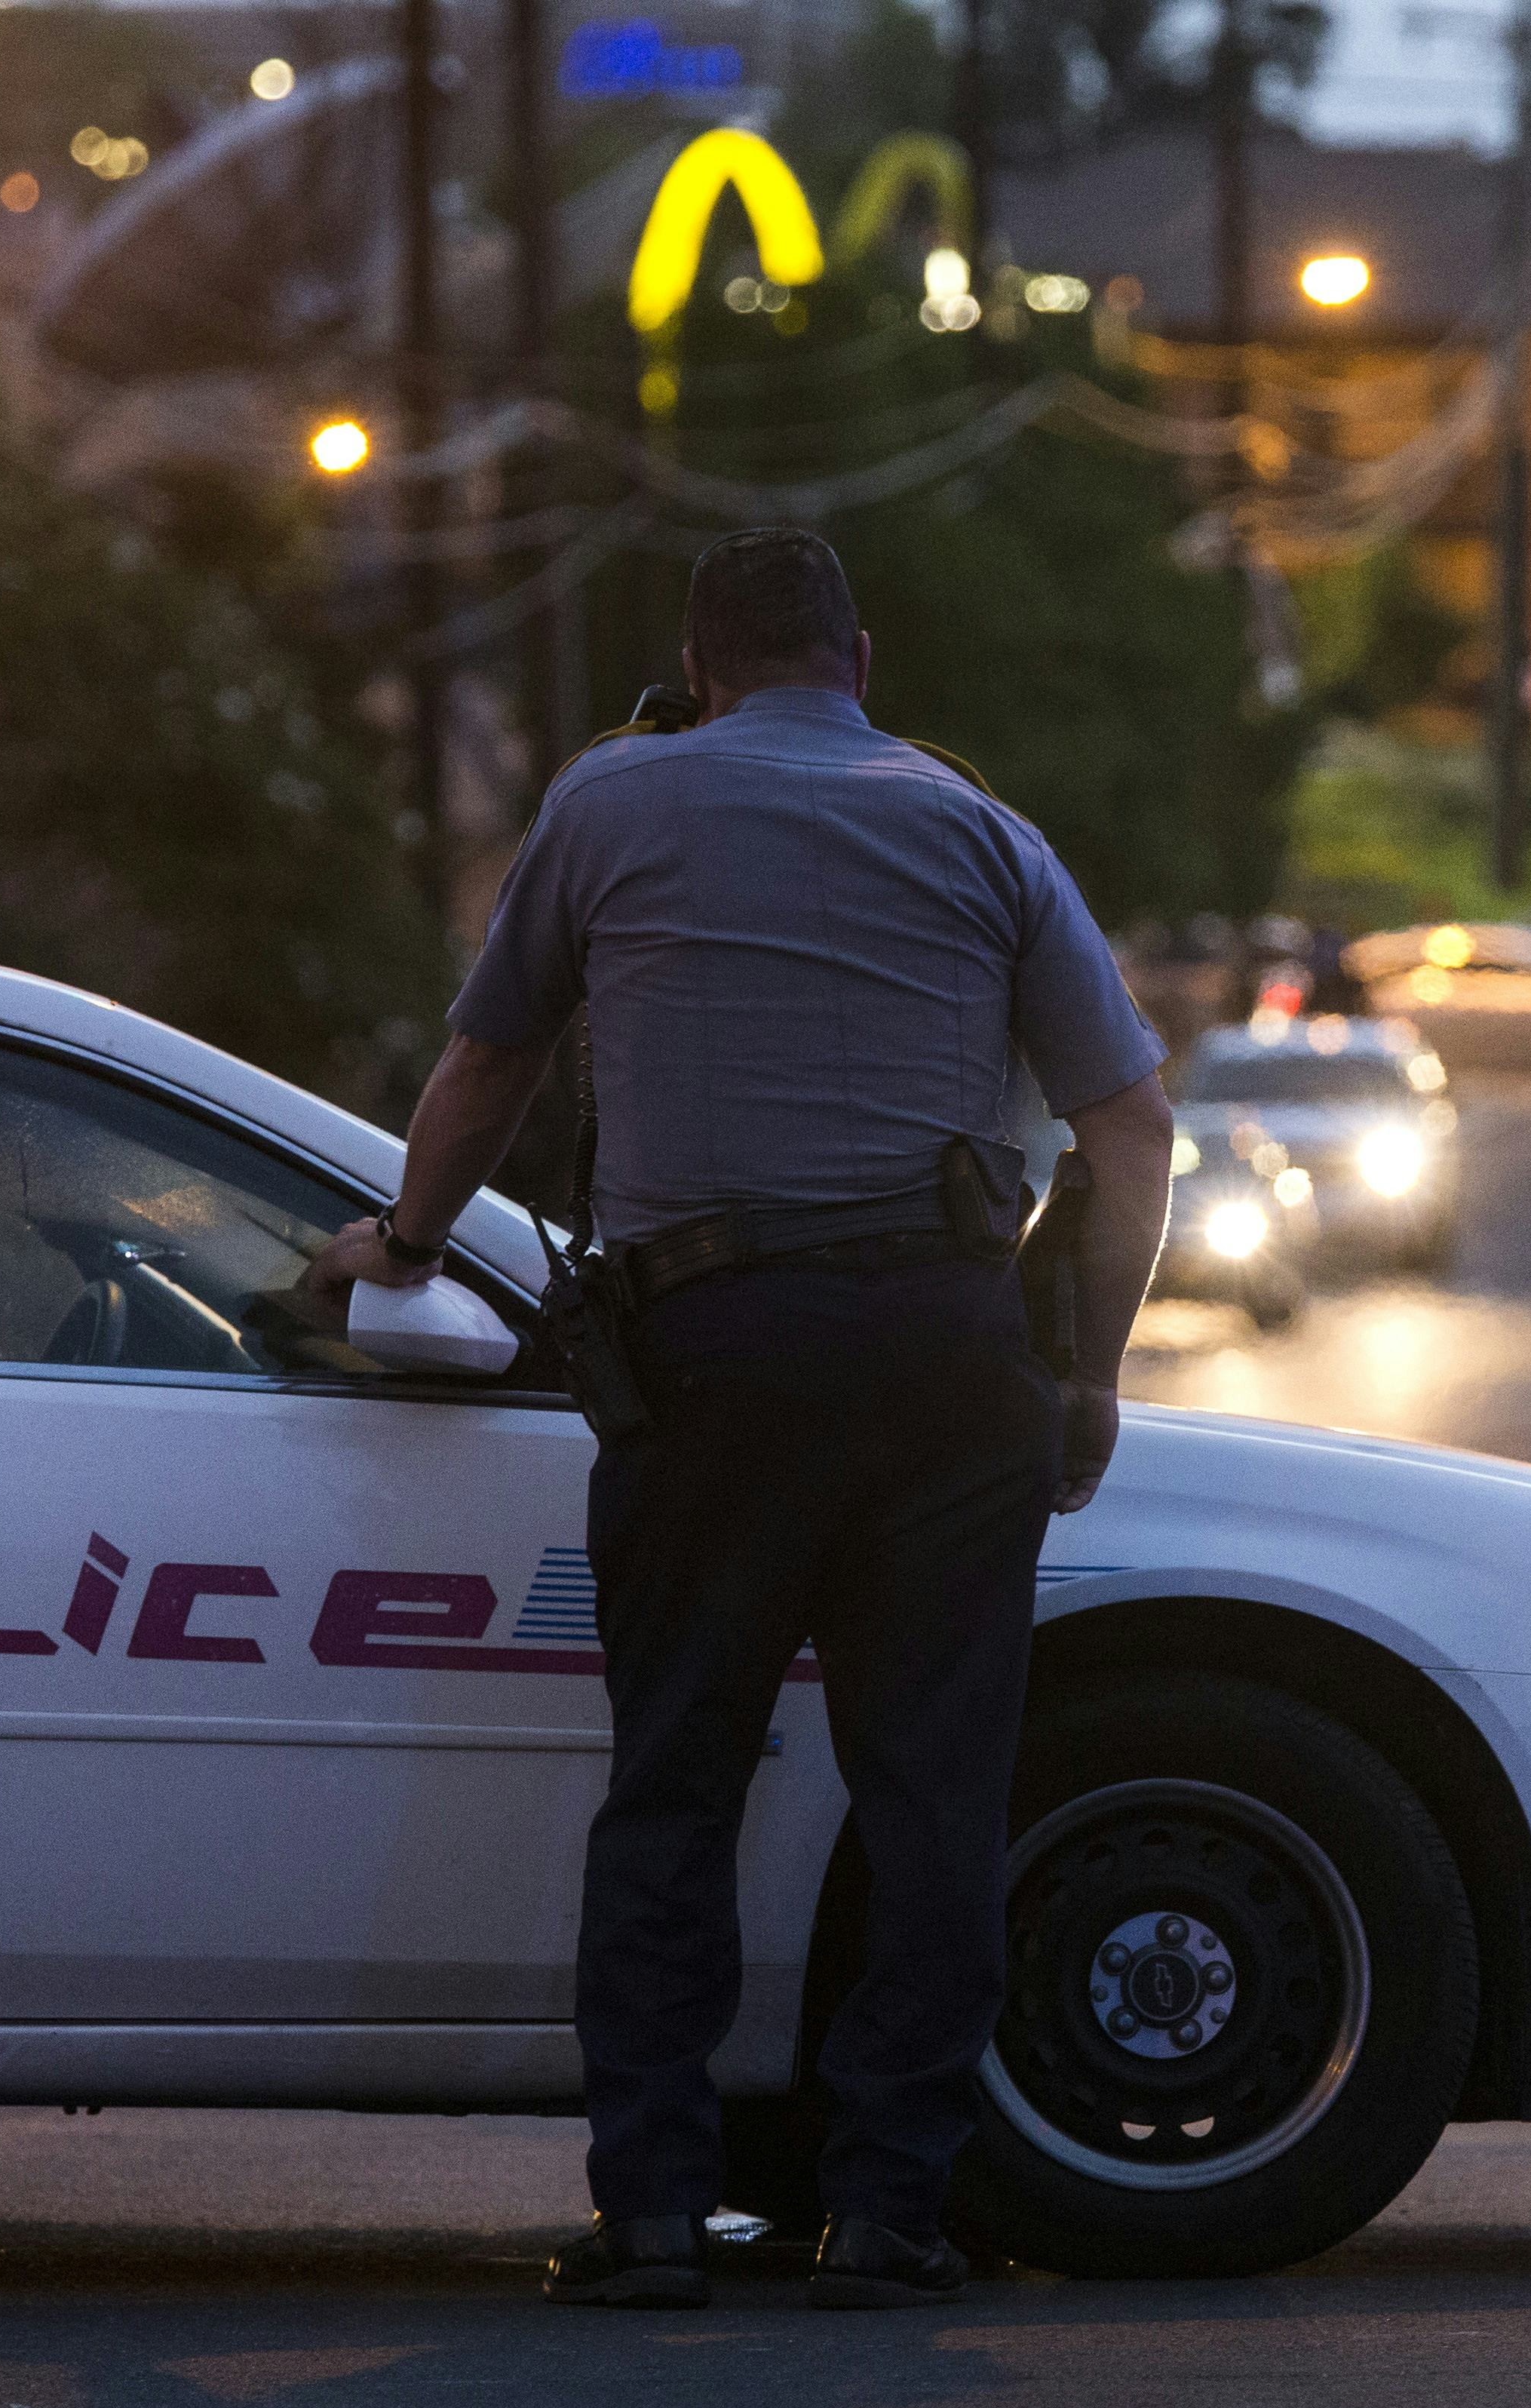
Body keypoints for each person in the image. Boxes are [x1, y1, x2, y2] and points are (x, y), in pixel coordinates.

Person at [309, 530, 1176, 2310]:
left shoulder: (609, 804)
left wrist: (403, 1242)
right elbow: (1132, 1128)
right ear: (858, 661)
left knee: (676, 1786)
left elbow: (490, 1062)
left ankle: (651, 2211)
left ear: (700, 670)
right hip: (944, 1357)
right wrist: (1086, 1368)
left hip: (707, 1353)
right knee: (933, 1795)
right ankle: (890, 2209)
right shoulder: (980, 830)